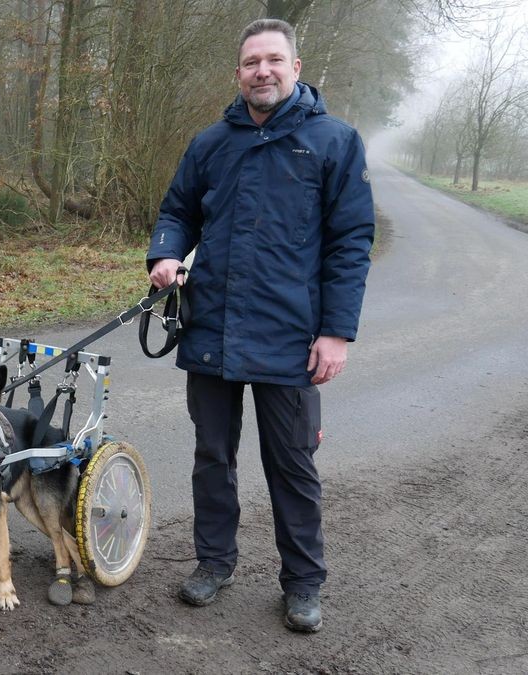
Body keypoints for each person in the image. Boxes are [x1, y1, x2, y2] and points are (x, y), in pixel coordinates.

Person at [146, 18, 373, 633]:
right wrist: (167, 254)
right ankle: (214, 563)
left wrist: (336, 332)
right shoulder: (211, 143)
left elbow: (351, 243)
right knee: (212, 456)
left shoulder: (335, 142)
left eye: (274, 60)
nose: (262, 71)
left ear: (296, 68)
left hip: (292, 337)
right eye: (252, 62)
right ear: (238, 73)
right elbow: (177, 211)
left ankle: (303, 582)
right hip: (211, 328)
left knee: (292, 464)